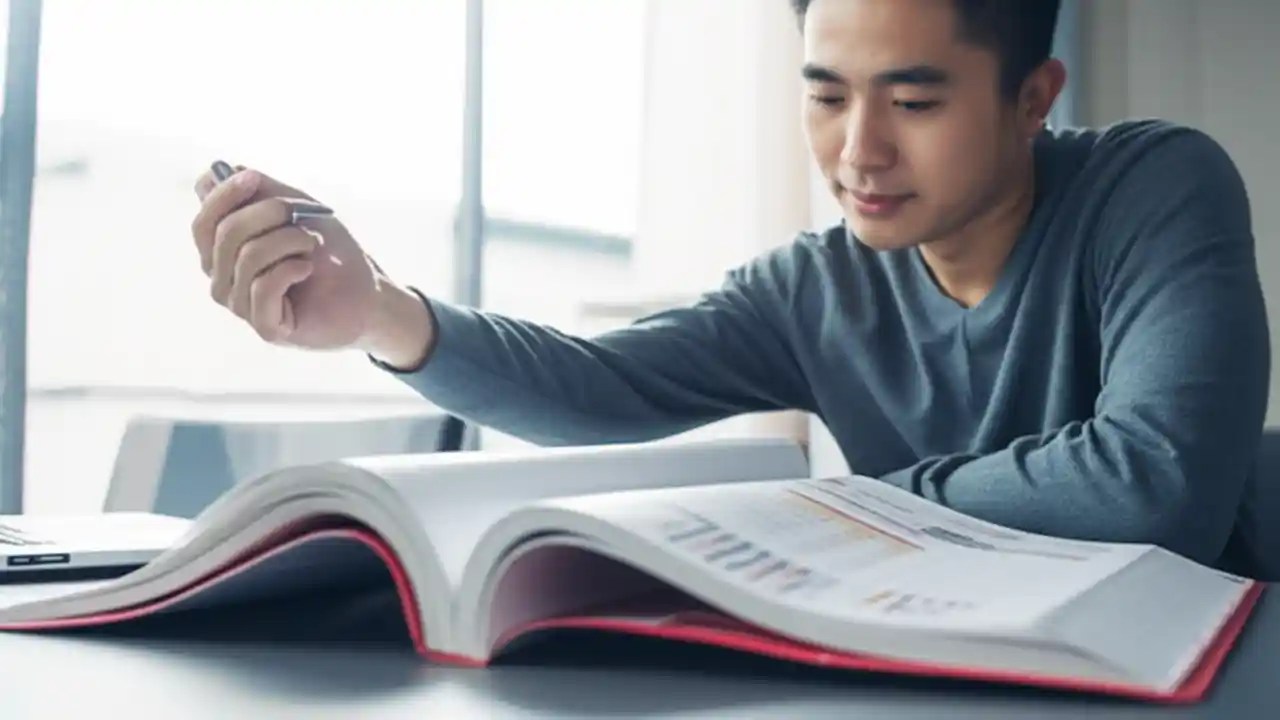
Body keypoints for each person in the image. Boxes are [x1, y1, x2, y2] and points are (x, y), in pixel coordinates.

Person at [189, 0, 1270, 573]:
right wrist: (377, 307)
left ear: (1032, 97)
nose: (857, 154)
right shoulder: (814, 288)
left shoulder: (1153, 185)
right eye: (825, 96)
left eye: (913, 101)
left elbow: (1152, 487)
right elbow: (595, 389)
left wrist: (848, 506)